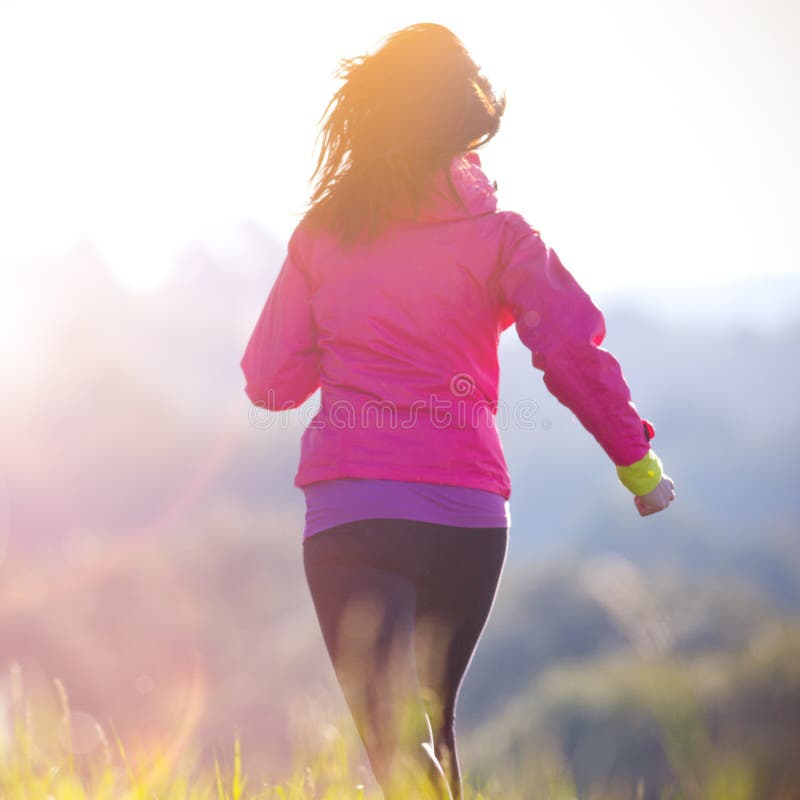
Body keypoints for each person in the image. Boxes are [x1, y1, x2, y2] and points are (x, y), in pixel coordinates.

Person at [240, 21, 676, 800]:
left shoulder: (322, 237)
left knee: (399, 745)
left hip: (354, 515)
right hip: (467, 522)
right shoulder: (502, 237)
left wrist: (344, 338)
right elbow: (572, 354)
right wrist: (638, 466)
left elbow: (270, 383)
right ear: (465, 117)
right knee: (433, 734)